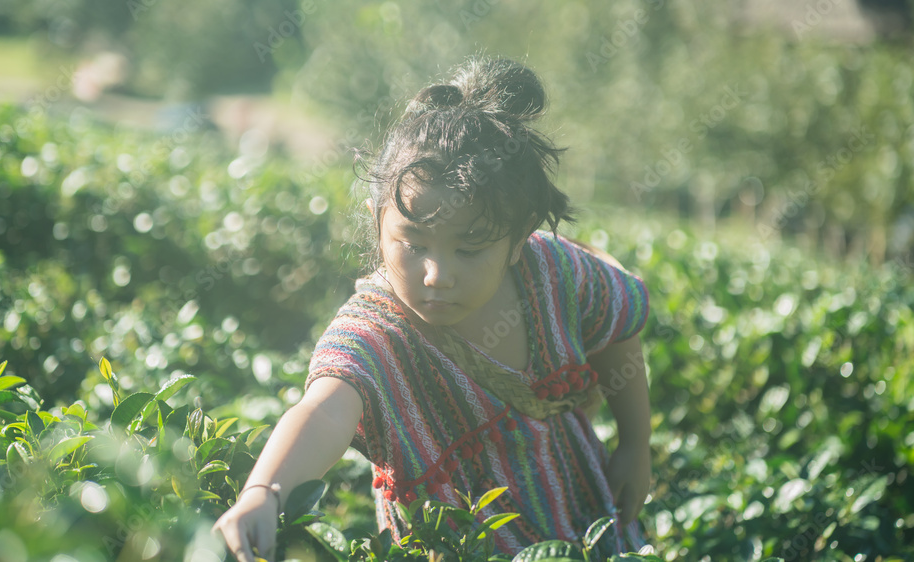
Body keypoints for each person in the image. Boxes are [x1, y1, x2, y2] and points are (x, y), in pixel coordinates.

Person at [213, 56, 652, 561]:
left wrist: (635, 445)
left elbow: (617, 328)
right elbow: (322, 411)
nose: (436, 275)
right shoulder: (375, 332)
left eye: (469, 249)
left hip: (582, 518)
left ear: (518, 238)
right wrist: (261, 493)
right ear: (380, 222)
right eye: (413, 243)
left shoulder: (554, 273)